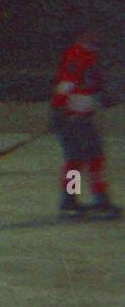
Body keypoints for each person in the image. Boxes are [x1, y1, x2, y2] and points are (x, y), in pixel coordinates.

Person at [51, 29, 119, 219]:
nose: (98, 36)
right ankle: (71, 198)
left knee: (94, 157)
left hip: (84, 117)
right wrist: (59, 109)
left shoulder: (90, 55)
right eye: (93, 33)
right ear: (83, 35)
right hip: (73, 118)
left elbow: (90, 82)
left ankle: (97, 197)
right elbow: (66, 83)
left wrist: (101, 95)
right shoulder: (77, 55)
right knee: (76, 159)